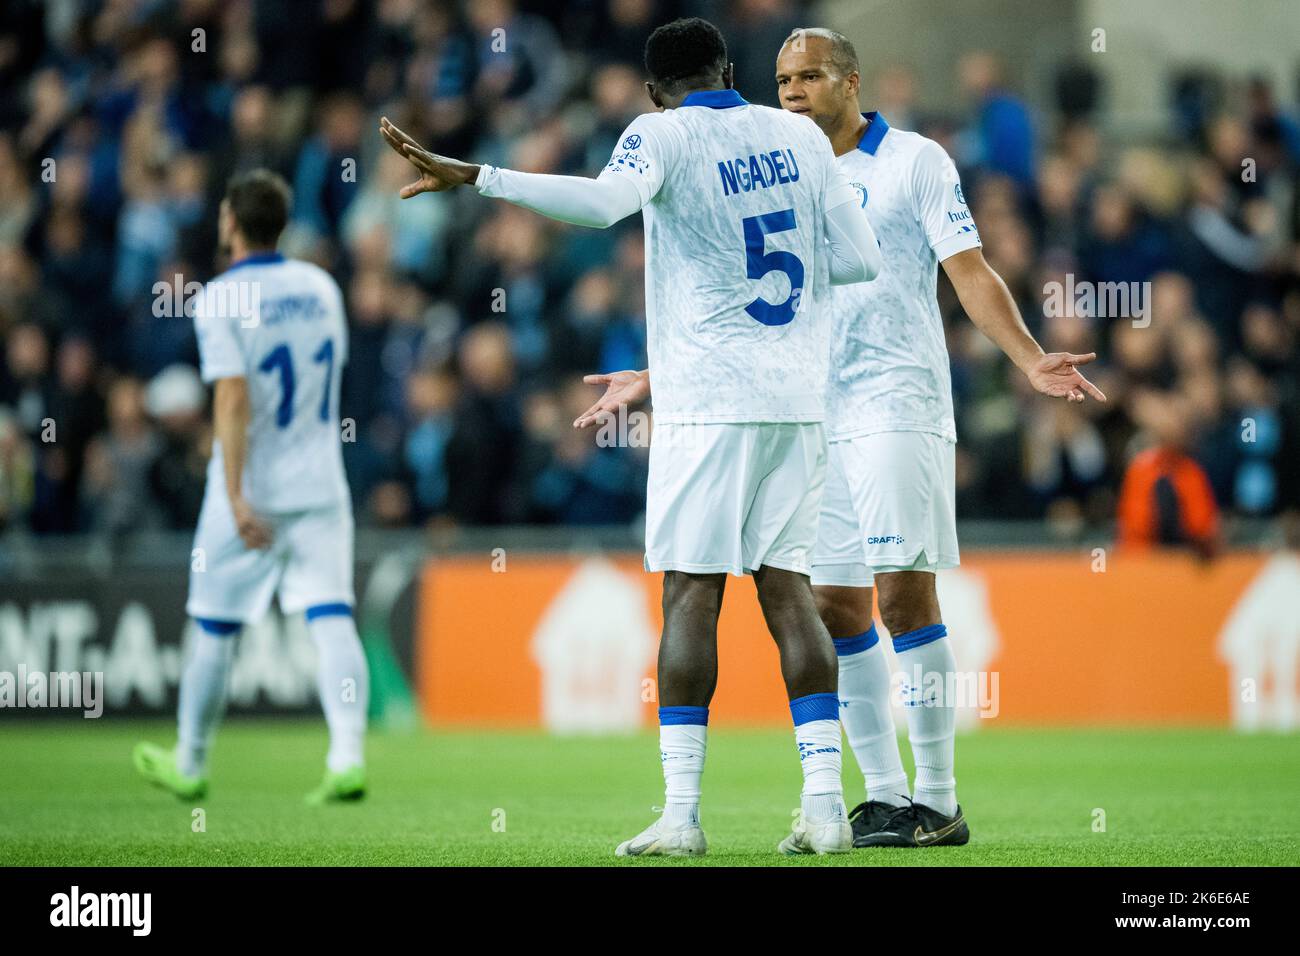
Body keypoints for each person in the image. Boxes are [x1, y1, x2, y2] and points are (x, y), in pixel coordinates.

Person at [583, 27, 1105, 850]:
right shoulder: (777, 160)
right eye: (783, 77)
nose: (792, 90)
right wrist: (656, 372)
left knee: (904, 595)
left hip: (898, 399)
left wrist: (1031, 358)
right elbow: (728, 288)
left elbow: (968, 268)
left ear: (851, 80)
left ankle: (939, 799)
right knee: (832, 605)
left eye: (811, 75)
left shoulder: (917, 162)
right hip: (807, 408)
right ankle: (885, 797)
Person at [381, 16, 882, 855]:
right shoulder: (798, 137)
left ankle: (683, 816)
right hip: (798, 402)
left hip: (709, 407)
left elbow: (603, 203)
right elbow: (860, 259)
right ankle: (827, 806)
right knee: (790, 593)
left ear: (654, 91)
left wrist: (483, 176)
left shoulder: (662, 132)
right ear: (729, 68)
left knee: (691, 594)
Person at [133, 170, 369, 806]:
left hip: (254, 487)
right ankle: (347, 757)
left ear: (231, 223)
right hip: (321, 481)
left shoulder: (218, 299)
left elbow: (233, 398)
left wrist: (235, 496)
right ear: (283, 224)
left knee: (212, 624)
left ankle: (191, 762)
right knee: (331, 615)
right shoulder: (321, 286)